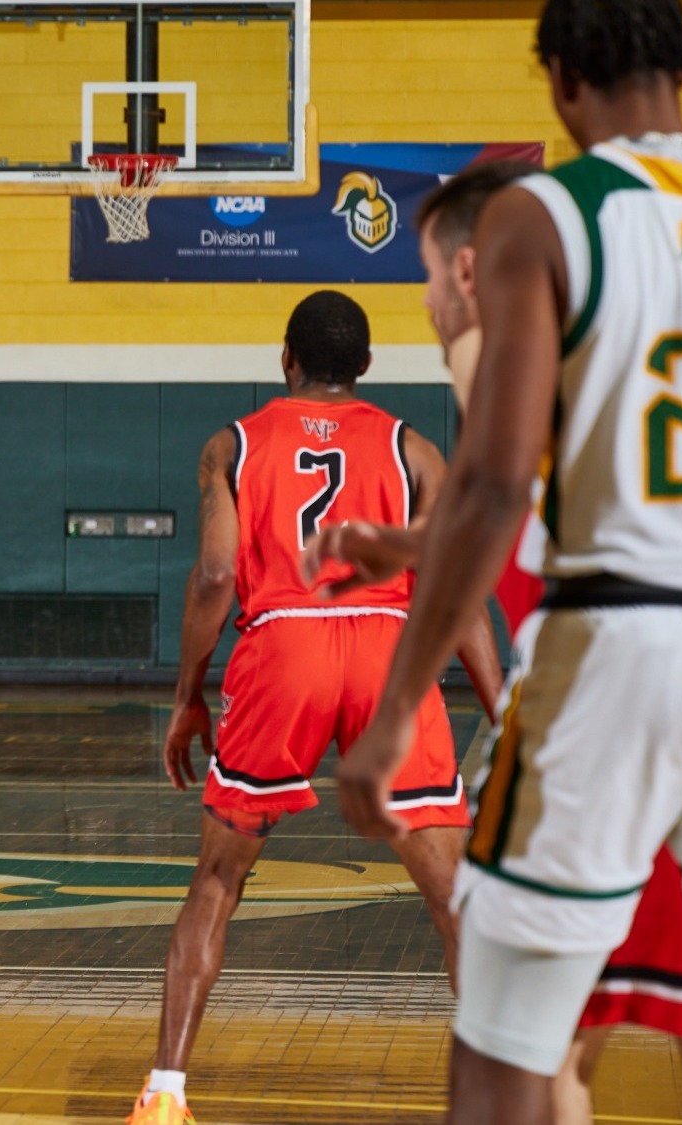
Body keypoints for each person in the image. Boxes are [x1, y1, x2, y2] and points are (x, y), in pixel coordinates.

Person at [332, 2, 682, 1121]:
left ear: (561, 82)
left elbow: (497, 480)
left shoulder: (542, 215)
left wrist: (393, 713)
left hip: (623, 643)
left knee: (505, 1042)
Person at [129, 290, 502, 1125]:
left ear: (285, 360)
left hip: (281, 646)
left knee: (218, 880)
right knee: (456, 901)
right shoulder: (414, 448)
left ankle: (165, 1093)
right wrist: (502, 704)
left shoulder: (232, 443)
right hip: (387, 649)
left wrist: (189, 696)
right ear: (365, 367)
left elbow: (218, 576)